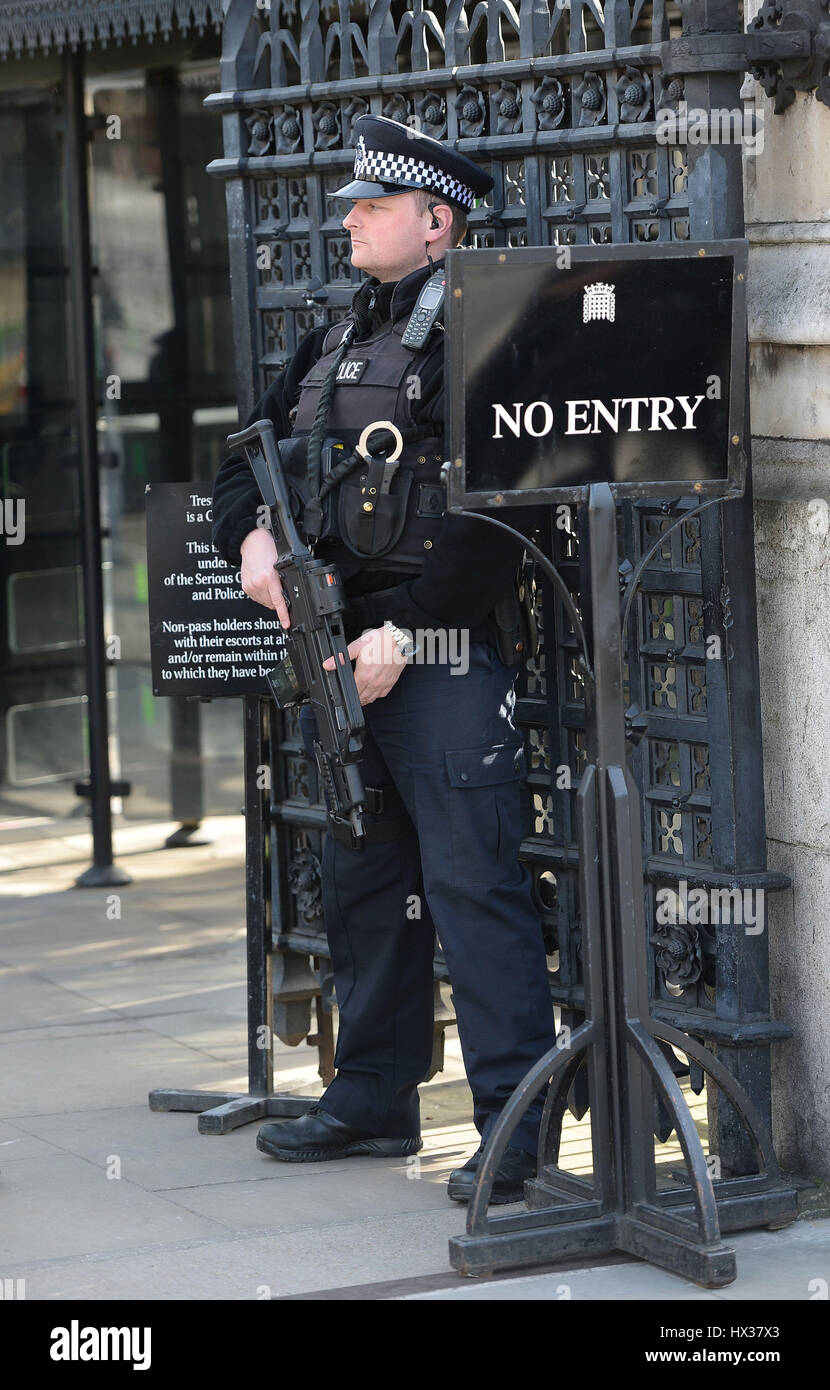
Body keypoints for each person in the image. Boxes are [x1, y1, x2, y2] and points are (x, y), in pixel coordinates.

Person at [212, 115, 556, 1204]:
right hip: (336, 651)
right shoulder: (336, 337)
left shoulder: (482, 329)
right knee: (367, 883)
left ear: (436, 222)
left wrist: (406, 629)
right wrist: (251, 543)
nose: (348, 217)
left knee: (472, 887)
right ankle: (373, 1091)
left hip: (437, 656)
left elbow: (510, 507)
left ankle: (515, 1125)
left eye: (371, 205)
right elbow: (242, 458)